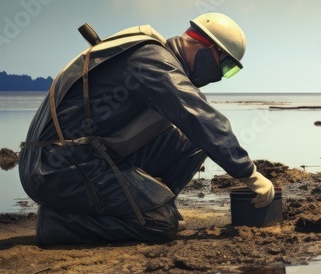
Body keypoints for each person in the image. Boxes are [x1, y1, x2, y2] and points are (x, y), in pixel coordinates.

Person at [18, 13, 274, 245]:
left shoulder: (154, 57)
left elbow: (196, 129)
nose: (220, 75)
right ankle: (59, 223)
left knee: (192, 142)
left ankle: (149, 205)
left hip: (86, 157)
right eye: (226, 66)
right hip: (56, 168)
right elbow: (198, 116)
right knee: (160, 225)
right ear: (207, 49)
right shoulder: (152, 59)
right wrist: (248, 172)